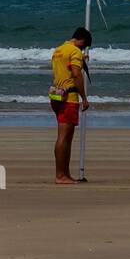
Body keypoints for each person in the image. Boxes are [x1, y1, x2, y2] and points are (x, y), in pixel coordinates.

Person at [49, 27, 91, 184]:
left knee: (65, 138)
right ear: (82, 40)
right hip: (69, 98)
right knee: (64, 138)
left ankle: (65, 174)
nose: (82, 49)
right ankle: (60, 175)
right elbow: (75, 74)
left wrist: (81, 58)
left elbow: (65, 68)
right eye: (84, 46)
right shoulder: (75, 51)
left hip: (56, 96)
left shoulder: (58, 50)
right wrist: (84, 97)